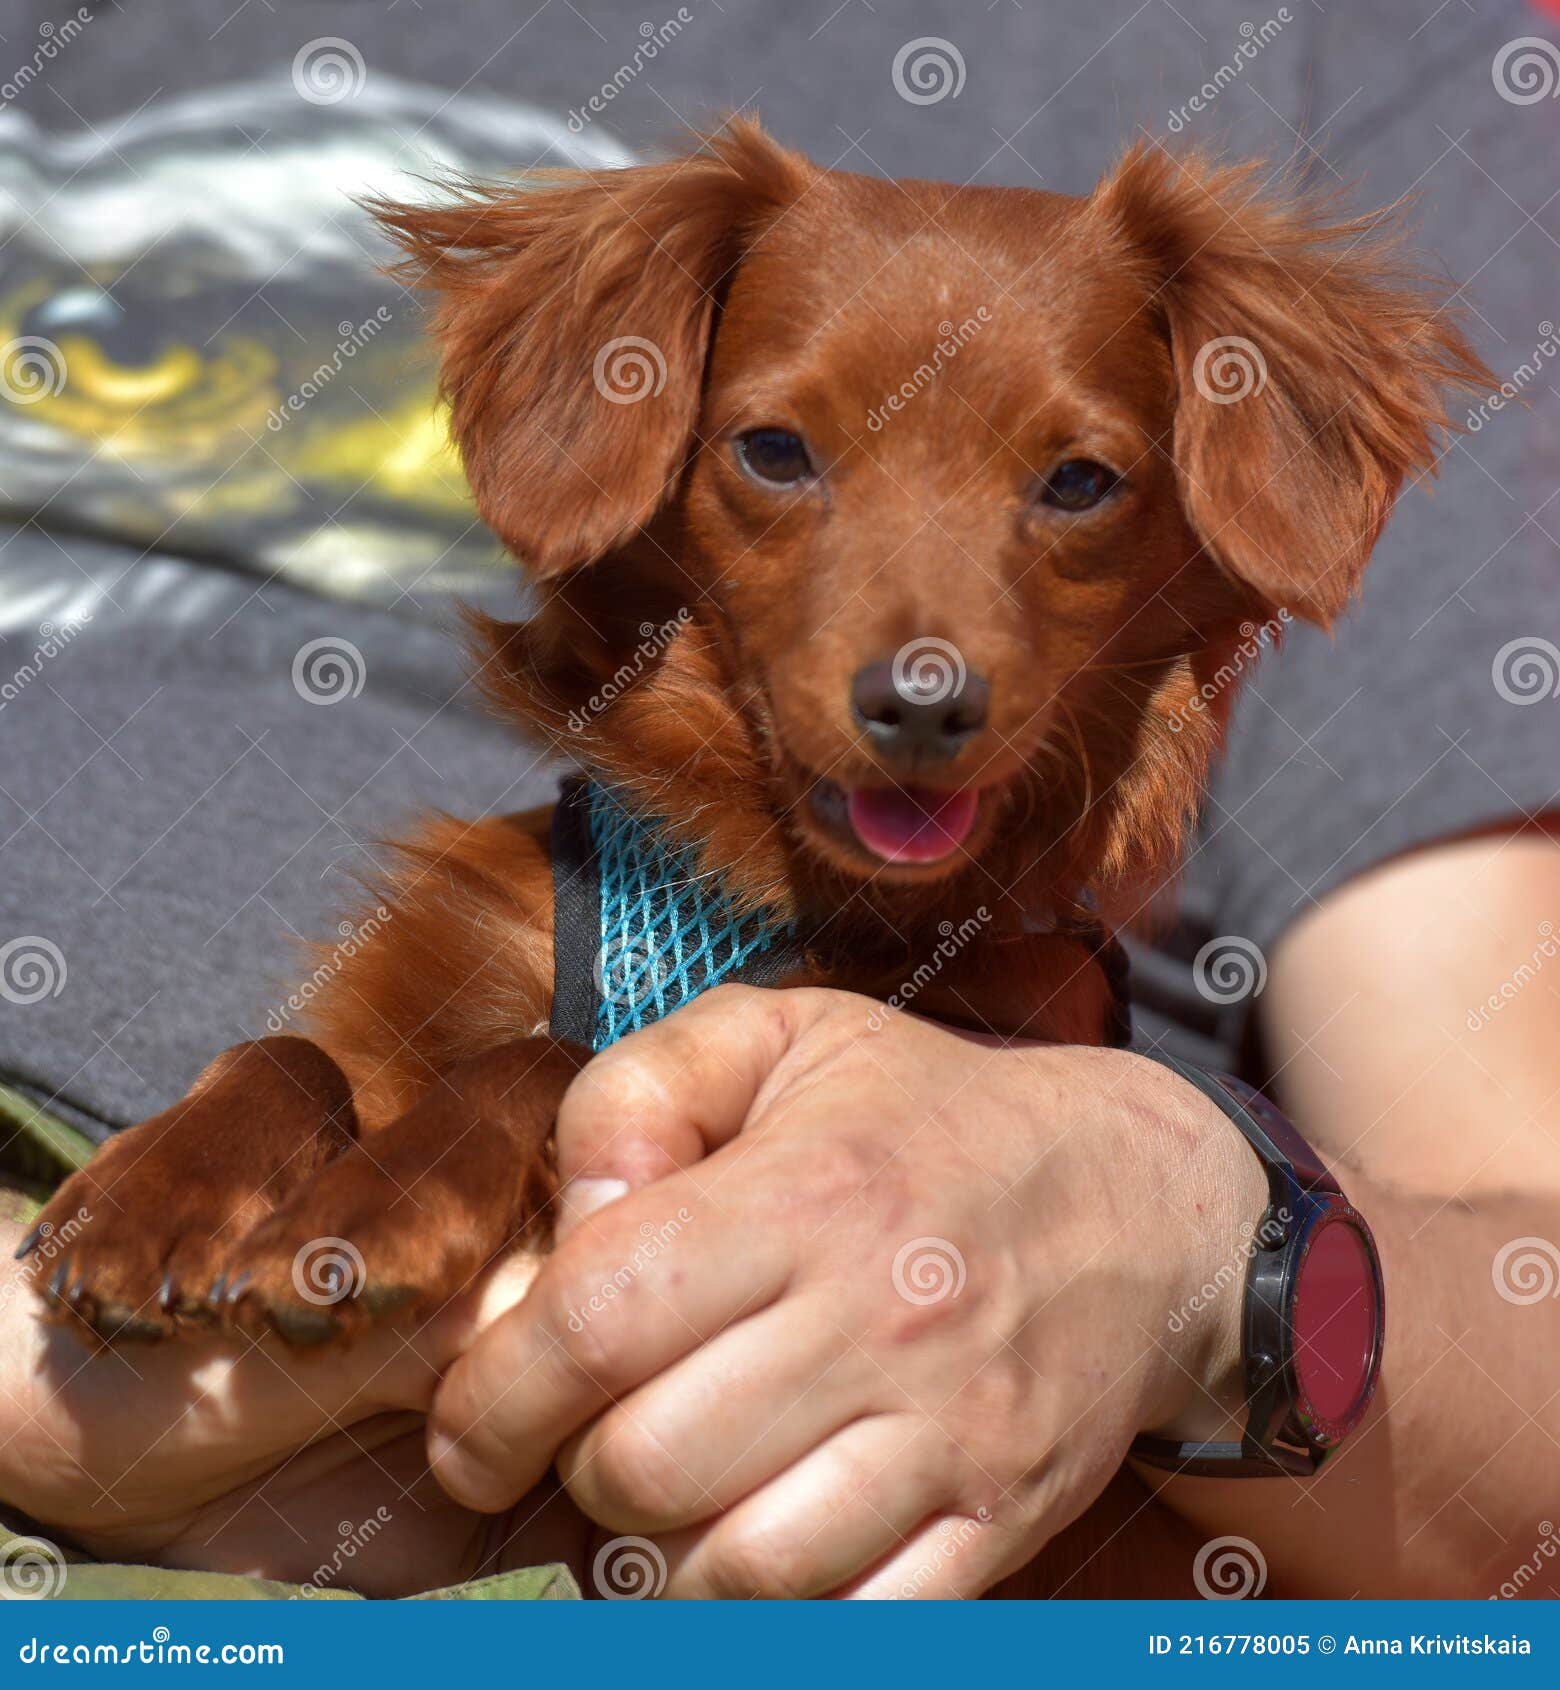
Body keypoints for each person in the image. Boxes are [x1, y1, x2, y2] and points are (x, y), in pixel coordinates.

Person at [3, 0, 1559, 1601]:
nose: (925, 665)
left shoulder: (1343, 50)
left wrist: (1189, 1243)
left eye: (1074, 483)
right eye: (779, 454)